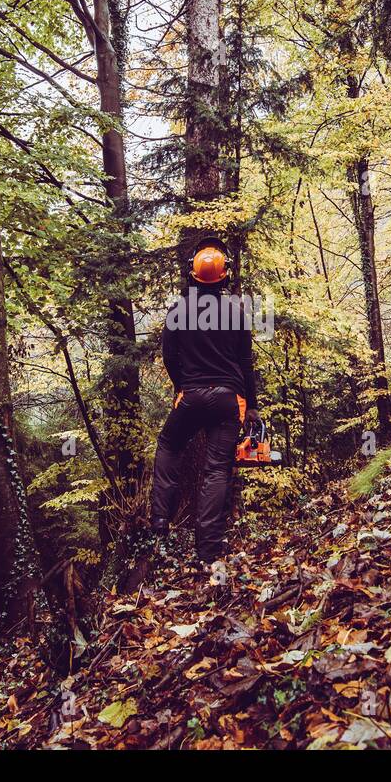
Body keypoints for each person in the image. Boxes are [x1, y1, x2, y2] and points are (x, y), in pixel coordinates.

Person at [150, 237, 258, 577]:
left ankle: (158, 524)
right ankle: (208, 549)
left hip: (192, 396)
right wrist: (251, 406)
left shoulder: (178, 311)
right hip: (229, 400)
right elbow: (246, 363)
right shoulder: (237, 312)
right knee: (216, 471)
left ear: (193, 277)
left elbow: (169, 357)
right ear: (224, 278)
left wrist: (183, 386)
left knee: (169, 445)